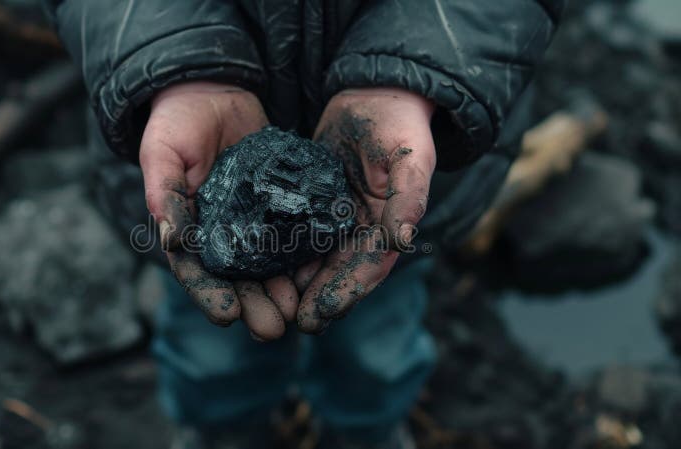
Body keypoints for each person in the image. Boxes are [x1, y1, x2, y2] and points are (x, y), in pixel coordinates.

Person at [44, 1, 564, 447]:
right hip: (180, 130)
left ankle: (366, 428)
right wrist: (173, 64)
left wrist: (410, 74)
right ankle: (221, 427)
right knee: (209, 351)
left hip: (403, 160)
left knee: (375, 345)